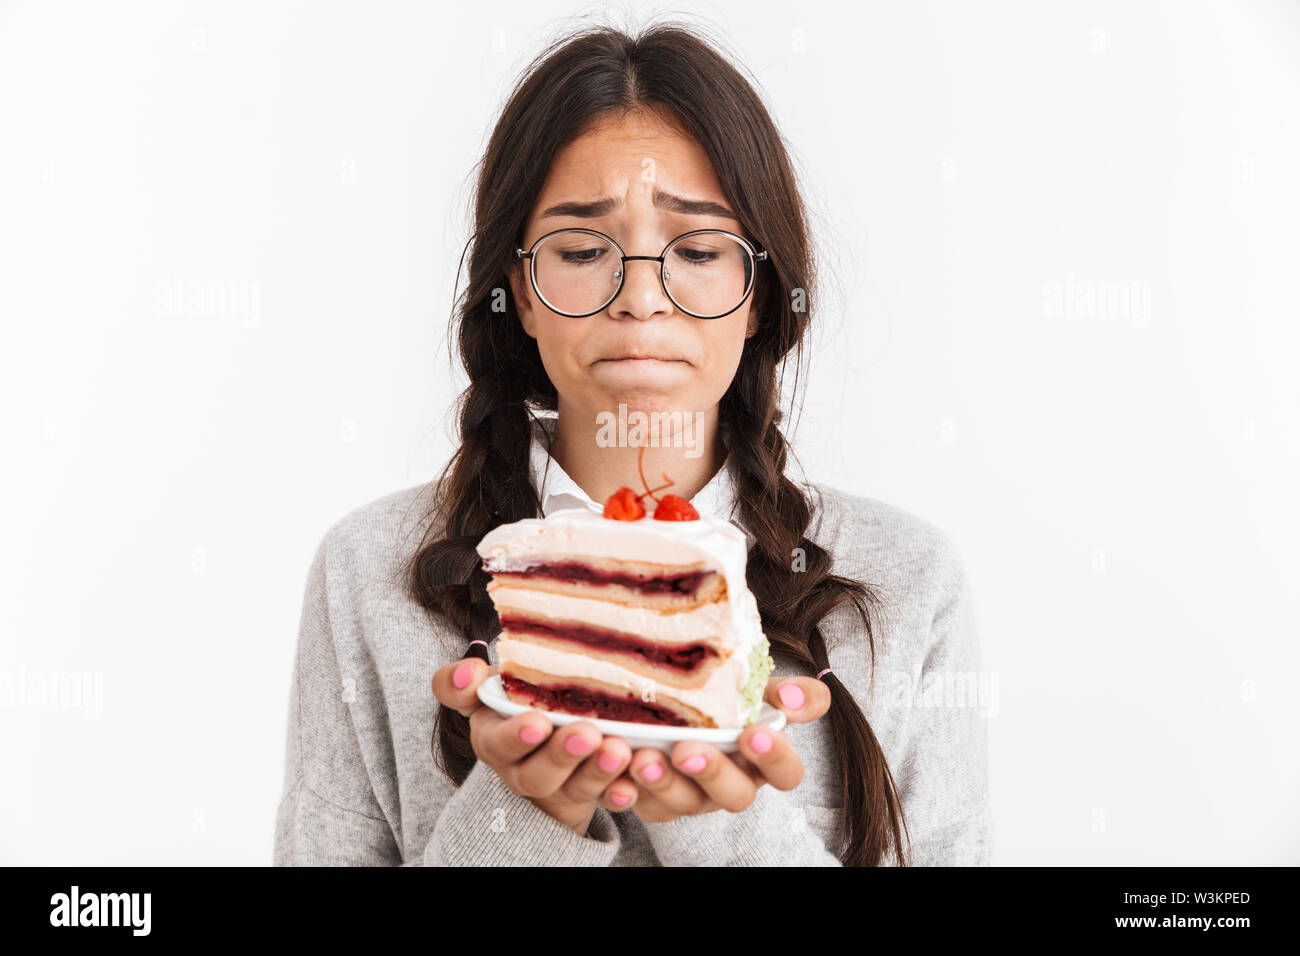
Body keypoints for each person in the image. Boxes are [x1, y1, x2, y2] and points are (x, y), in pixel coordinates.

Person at [273, 21, 991, 867]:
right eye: (582, 249)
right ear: (522, 293)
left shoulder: (907, 583)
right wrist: (525, 809)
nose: (641, 298)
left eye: (695, 249)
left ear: (759, 295)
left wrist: (720, 810)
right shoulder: (369, 574)